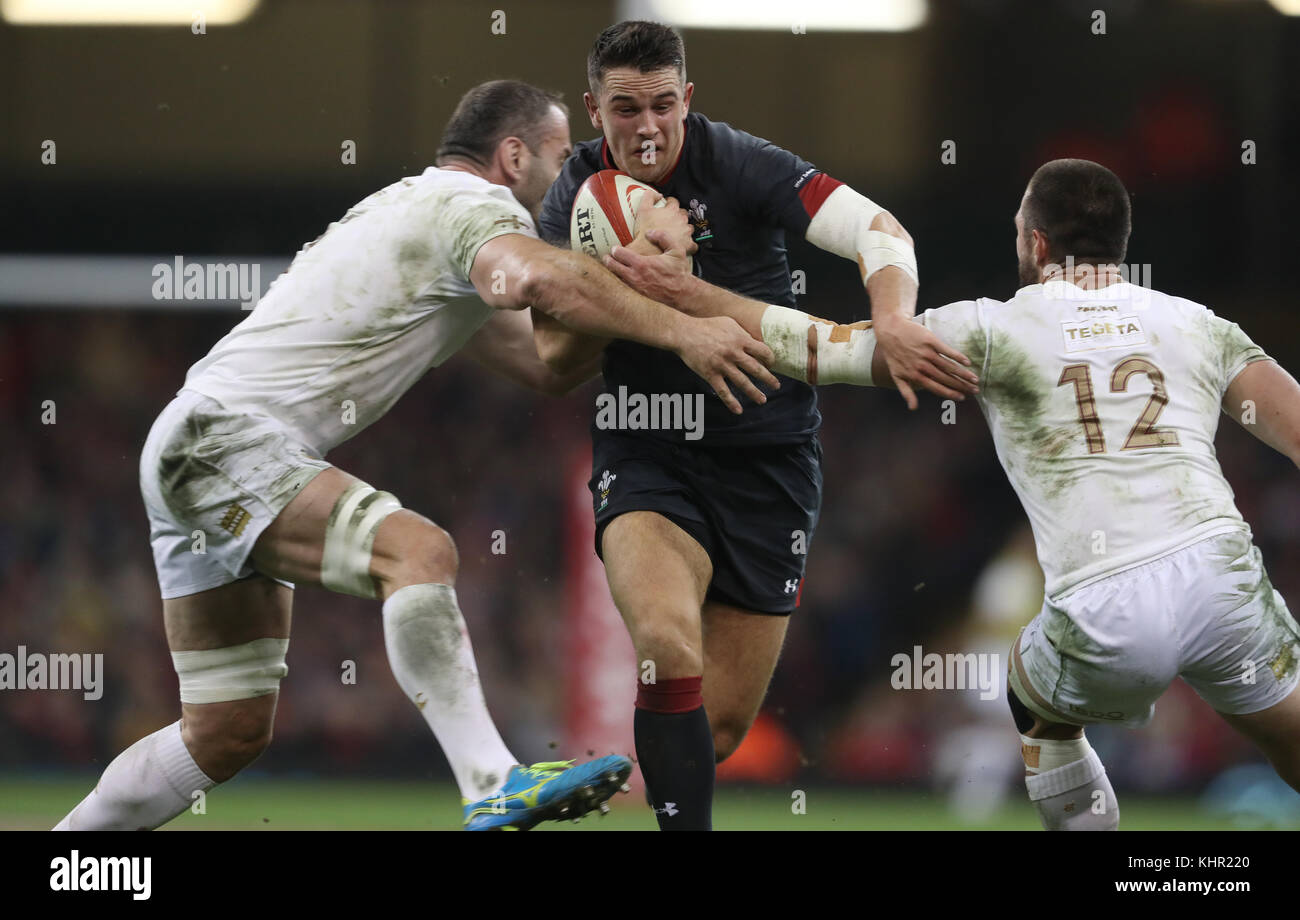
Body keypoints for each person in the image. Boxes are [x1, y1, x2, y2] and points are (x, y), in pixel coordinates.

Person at [54, 79, 776, 832]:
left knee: (225, 730)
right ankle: (490, 780)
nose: (573, 178)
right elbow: (536, 276)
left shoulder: (424, 218)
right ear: (512, 155)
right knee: (418, 552)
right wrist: (680, 326)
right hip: (228, 443)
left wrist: (648, 291)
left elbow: (547, 364)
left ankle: (68, 857)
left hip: (197, 444)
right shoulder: (476, 210)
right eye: (563, 158)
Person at [608, 157, 1300, 830]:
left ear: (1034, 241)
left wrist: (688, 294)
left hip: (1105, 601)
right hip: (1219, 576)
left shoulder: (992, 327)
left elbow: (820, 350)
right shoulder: (1200, 324)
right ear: (1121, 245)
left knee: (1037, 710)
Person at [535, 20, 977, 830]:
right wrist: (617, 289)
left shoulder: (739, 163)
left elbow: (878, 230)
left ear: (687, 100)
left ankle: (595, 781)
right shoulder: (573, 195)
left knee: (722, 729)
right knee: (668, 647)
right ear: (594, 109)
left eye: (662, 105)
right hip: (647, 445)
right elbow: (554, 361)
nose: (646, 127)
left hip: (767, 457)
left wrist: (895, 317)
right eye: (624, 108)